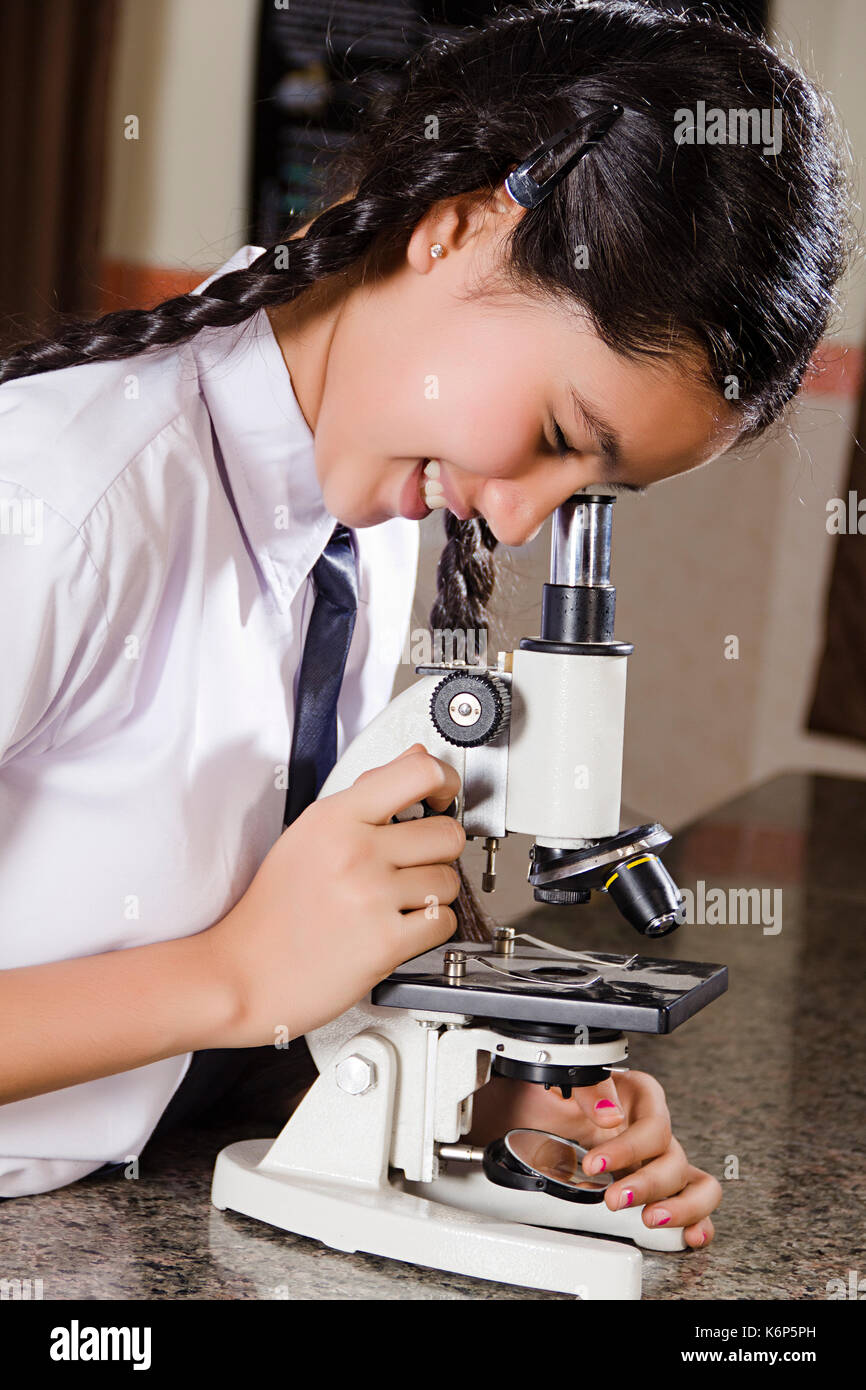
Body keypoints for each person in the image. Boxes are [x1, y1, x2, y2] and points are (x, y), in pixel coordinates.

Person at [0, 1, 852, 1254]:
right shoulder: (59, 502)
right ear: (454, 230)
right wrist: (233, 975)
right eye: (560, 436)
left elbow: (256, 974)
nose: (515, 527)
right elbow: (241, 973)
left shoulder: (374, 514)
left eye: (586, 492)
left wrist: (496, 1095)